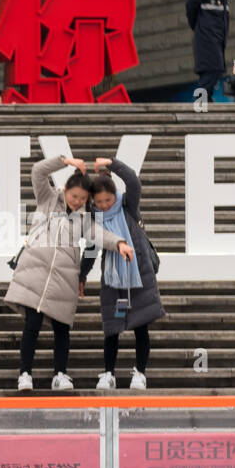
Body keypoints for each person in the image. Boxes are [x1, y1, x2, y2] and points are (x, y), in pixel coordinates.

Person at [5, 156, 132, 391]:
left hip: (64, 280)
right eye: (74, 196)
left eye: (83, 199)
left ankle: (60, 374)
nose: (77, 201)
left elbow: (101, 234)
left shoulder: (83, 219)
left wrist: (120, 243)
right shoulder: (47, 199)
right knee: (31, 324)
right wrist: (65, 161)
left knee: (62, 328)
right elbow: (37, 171)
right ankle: (25, 374)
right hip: (35, 273)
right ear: (65, 190)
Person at [82, 158, 166, 390]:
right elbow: (90, 250)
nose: (105, 205)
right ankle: (108, 373)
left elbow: (133, 182)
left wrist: (112, 163)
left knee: (141, 327)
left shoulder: (129, 206)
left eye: (108, 200)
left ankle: (140, 373)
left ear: (115, 195)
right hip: (115, 284)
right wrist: (81, 276)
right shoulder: (96, 219)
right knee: (113, 327)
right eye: (99, 202)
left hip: (138, 279)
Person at [187, 0, 232, 102]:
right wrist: (198, 27)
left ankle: (205, 101)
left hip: (218, 38)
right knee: (213, 68)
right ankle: (199, 103)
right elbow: (191, 5)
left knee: (213, 70)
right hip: (207, 37)